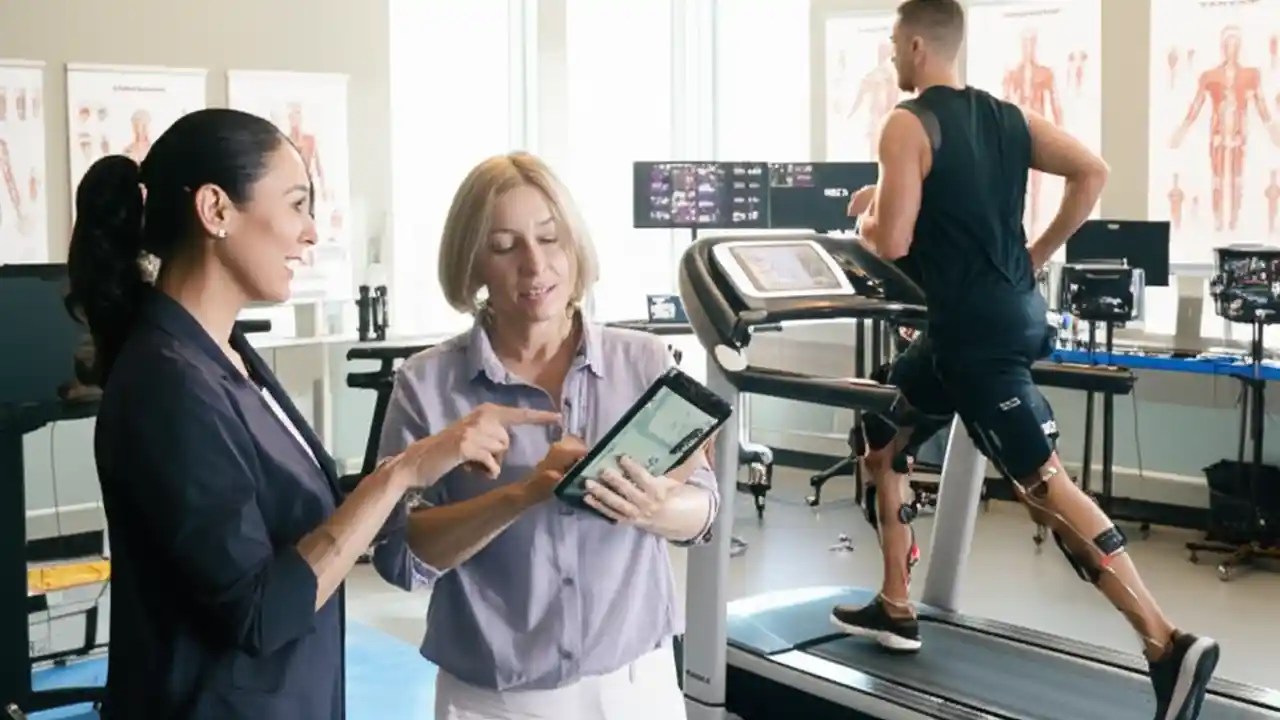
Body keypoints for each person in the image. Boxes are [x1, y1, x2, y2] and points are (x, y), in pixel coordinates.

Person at [65, 108, 561, 720]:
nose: (311, 233)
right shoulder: (166, 383)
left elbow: (303, 522)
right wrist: (401, 473)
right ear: (216, 210)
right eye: (297, 204)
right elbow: (259, 613)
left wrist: (433, 472)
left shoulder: (224, 353)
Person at [832, 3, 1219, 719]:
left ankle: (1168, 644)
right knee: (881, 435)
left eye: (891, 44)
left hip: (975, 336)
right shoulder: (1007, 120)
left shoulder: (906, 123)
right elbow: (1091, 172)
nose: (889, 57)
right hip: (979, 323)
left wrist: (867, 214)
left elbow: (890, 243)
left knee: (1043, 484)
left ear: (915, 46)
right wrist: (1033, 256)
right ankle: (896, 603)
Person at [371, 151, 719, 720]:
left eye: (550, 238)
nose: (534, 265)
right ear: (472, 264)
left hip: (637, 687)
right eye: (504, 246)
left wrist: (656, 506)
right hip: (494, 702)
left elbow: (703, 510)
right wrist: (519, 496)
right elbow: (398, 558)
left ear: (574, 245)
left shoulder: (644, 361)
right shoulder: (426, 384)